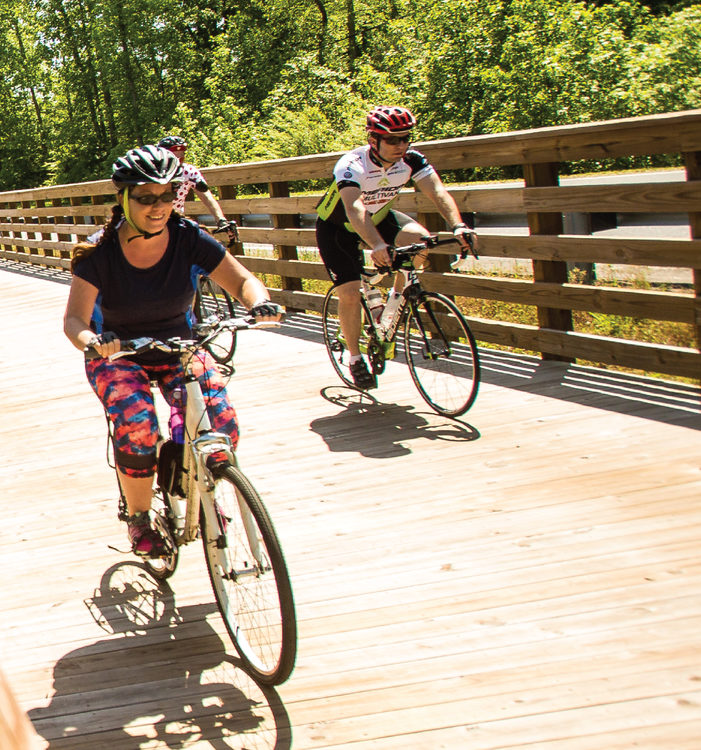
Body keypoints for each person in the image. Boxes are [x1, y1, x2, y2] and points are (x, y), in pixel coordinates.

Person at [62, 146, 283, 556]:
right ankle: (139, 517)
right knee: (138, 426)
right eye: (146, 197)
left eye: (167, 195)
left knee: (222, 425)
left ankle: (192, 476)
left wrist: (259, 303)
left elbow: (243, 281)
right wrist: (93, 342)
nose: (159, 206)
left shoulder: (188, 238)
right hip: (118, 354)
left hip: (180, 347)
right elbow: (74, 321)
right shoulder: (98, 252)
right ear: (124, 198)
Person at [313, 106, 478, 389]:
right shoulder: (352, 164)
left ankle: (391, 305)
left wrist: (458, 226)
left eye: (406, 138)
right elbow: (353, 207)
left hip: (378, 217)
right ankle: (354, 358)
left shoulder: (411, 160)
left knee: (420, 240)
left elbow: (437, 191)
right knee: (350, 294)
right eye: (393, 140)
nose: (401, 145)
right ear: (374, 139)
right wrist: (376, 244)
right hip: (338, 227)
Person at [156, 135, 235, 242]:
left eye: (181, 159)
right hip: (153, 220)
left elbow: (206, 196)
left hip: (175, 220)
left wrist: (221, 220)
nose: (178, 163)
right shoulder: (153, 173)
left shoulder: (188, 171)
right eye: (173, 159)